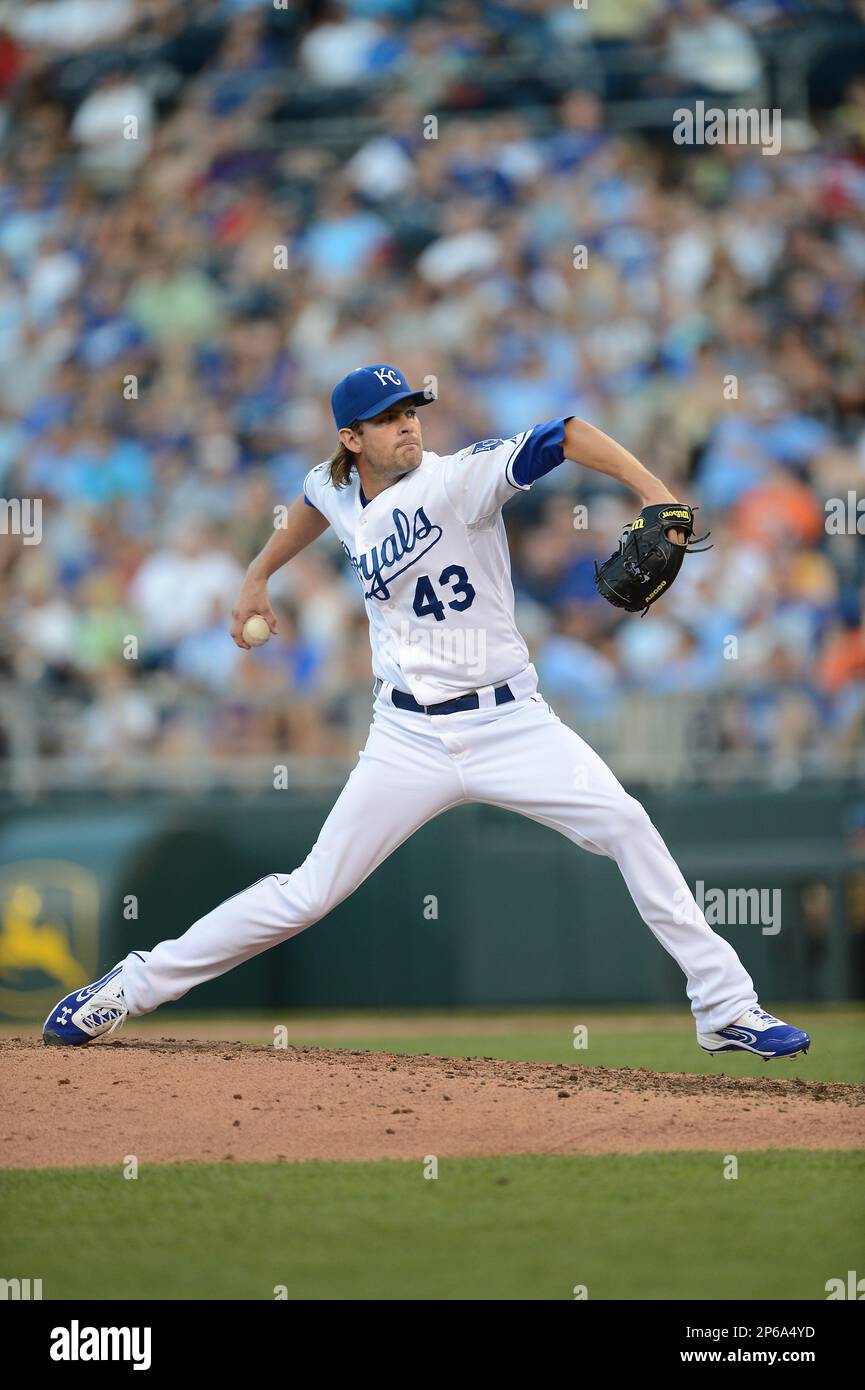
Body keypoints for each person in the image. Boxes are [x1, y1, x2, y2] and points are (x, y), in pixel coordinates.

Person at [43, 365, 810, 1061]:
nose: (407, 424)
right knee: (309, 891)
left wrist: (654, 494)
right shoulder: (339, 487)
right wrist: (257, 573)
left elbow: (568, 433)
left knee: (627, 826)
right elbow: (314, 503)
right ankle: (131, 987)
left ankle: (725, 1006)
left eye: (411, 410)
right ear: (353, 438)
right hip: (405, 735)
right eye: (386, 417)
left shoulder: (459, 480)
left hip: (511, 722)